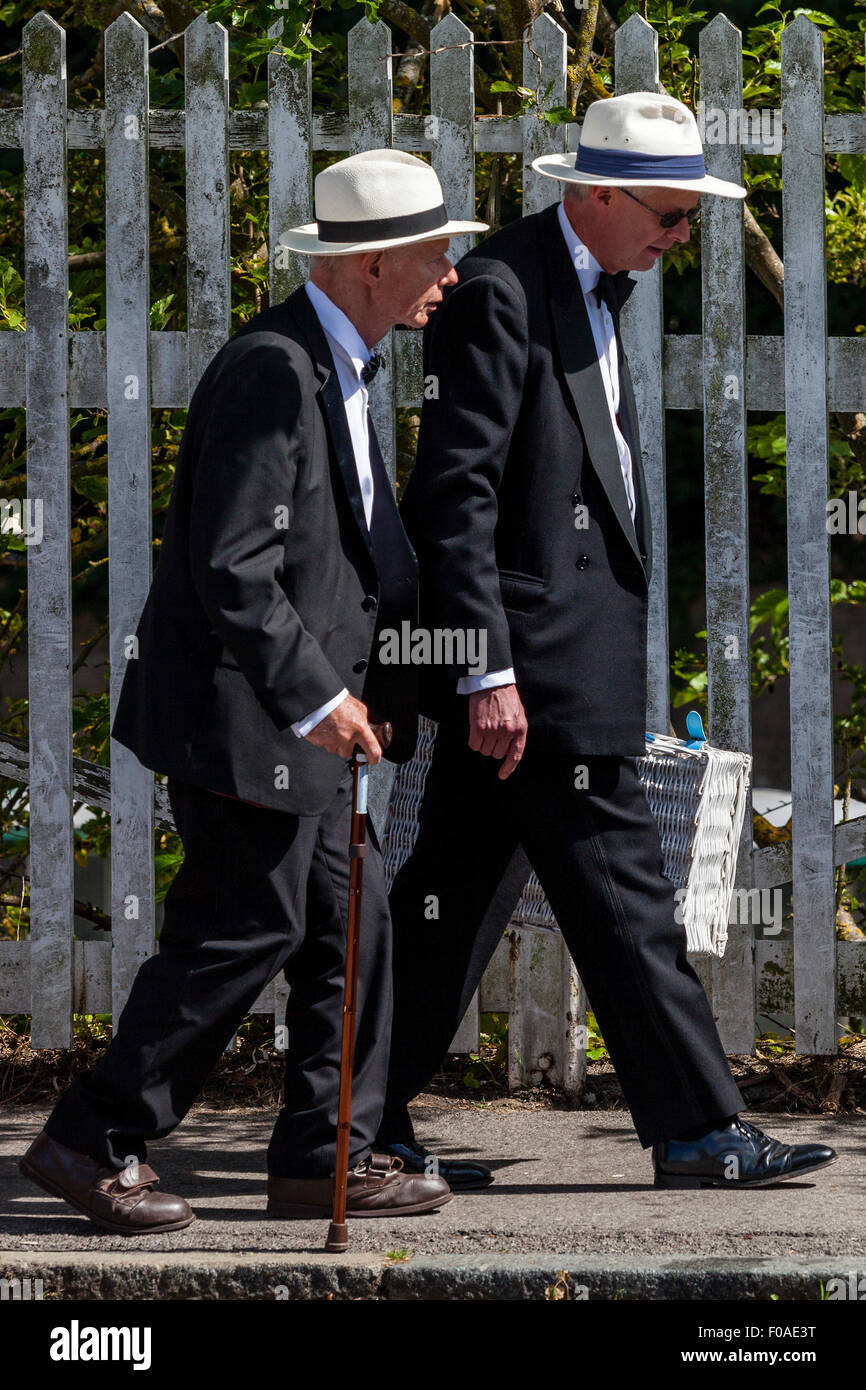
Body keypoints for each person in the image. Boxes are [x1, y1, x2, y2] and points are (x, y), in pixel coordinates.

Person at [375, 94, 837, 1192]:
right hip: (529, 666)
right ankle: (694, 1127)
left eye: (686, 218)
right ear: (594, 195)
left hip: (559, 659)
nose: (679, 237)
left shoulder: (586, 283)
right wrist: (484, 669)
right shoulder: (496, 290)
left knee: (441, 908)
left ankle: (348, 1128)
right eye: (670, 215)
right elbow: (455, 497)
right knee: (622, 896)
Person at [19, 149, 487, 1233]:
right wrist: (319, 697)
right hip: (253, 720)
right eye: (432, 254)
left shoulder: (341, 364)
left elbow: (345, 557)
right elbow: (234, 561)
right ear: (371, 264)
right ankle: (91, 1138)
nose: (447, 276)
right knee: (242, 929)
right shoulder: (274, 368)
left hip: (316, 723)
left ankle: (329, 1157)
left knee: (347, 928)